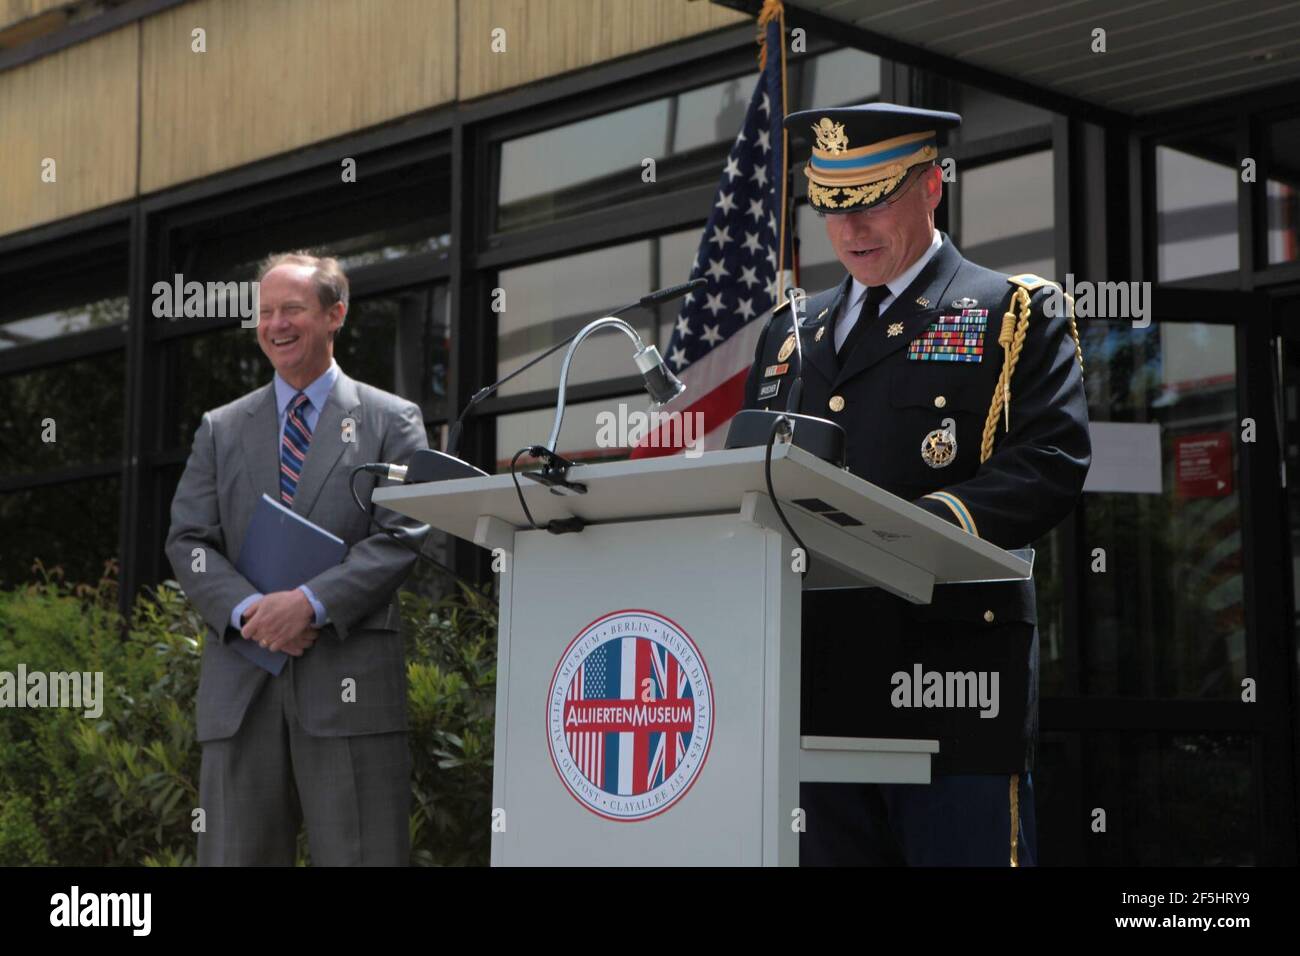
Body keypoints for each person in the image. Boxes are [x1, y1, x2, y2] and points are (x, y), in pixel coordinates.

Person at [742, 104, 1090, 865]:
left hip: (950, 678)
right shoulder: (791, 332)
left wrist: (919, 528)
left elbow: (1051, 461)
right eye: (832, 207)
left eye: (873, 199)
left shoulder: (1010, 311)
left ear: (933, 186)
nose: (851, 228)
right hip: (812, 680)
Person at [166, 252, 429, 865]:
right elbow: (187, 540)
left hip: (349, 685)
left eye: (292, 309)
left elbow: (404, 532)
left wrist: (310, 605)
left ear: (335, 314)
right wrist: (251, 610)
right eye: (264, 313)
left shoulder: (392, 421)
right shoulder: (220, 429)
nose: (275, 324)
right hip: (243, 684)